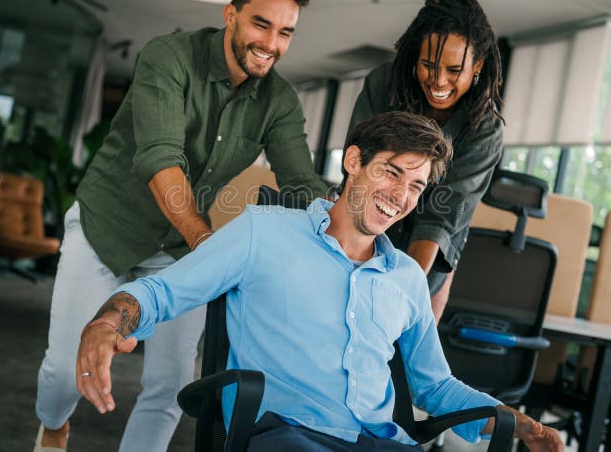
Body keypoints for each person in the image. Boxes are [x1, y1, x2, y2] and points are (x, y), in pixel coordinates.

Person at [76, 112, 563, 451]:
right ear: (354, 162)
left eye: (416, 186)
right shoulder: (263, 230)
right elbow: (162, 291)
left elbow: (435, 387)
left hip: (379, 445)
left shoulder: (408, 278)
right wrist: (108, 322)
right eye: (390, 173)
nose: (401, 196)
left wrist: (520, 424)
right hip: (285, 437)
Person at [33, 0, 327, 452]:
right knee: (67, 370)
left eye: (285, 33)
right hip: (108, 226)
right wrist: (205, 243)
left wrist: (347, 234)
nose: (271, 43)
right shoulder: (169, 57)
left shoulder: (279, 100)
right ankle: (54, 424)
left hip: (178, 246)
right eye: (261, 24)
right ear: (231, 15)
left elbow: (300, 183)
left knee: (171, 387)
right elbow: (160, 157)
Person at [347, 0, 504, 323]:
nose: (438, 81)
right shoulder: (383, 85)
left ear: (476, 66)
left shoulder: (484, 130)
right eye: (429, 65)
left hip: (426, 262)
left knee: (400, 363)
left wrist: (401, 291)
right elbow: (359, 168)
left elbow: (440, 219)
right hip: (359, 234)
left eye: (453, 70)